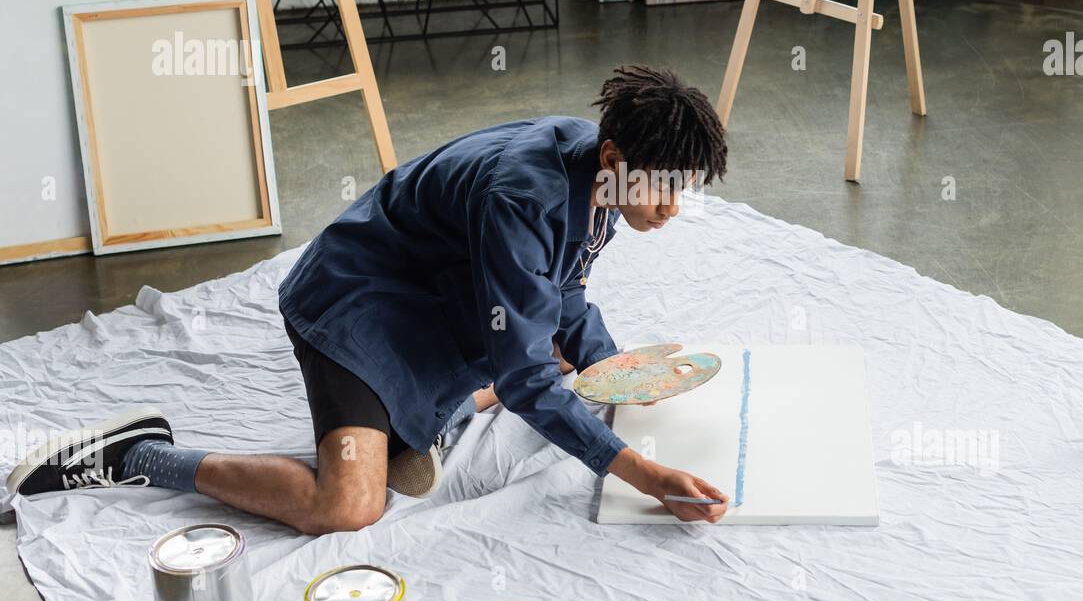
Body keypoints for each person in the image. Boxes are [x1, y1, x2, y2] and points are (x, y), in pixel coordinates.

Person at [6, 66, 732, 531]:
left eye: (681, 192)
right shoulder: (525, 196)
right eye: (662, 190)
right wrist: (638, 469)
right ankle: (140, 455)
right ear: (613, 156)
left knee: (550, 364)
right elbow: (524, 371)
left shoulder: (597, 168)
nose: (669, 209)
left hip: (433, 295)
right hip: (355, 301)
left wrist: (617, 372)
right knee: (349, 504)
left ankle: (422, 418)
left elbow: (564, 289)